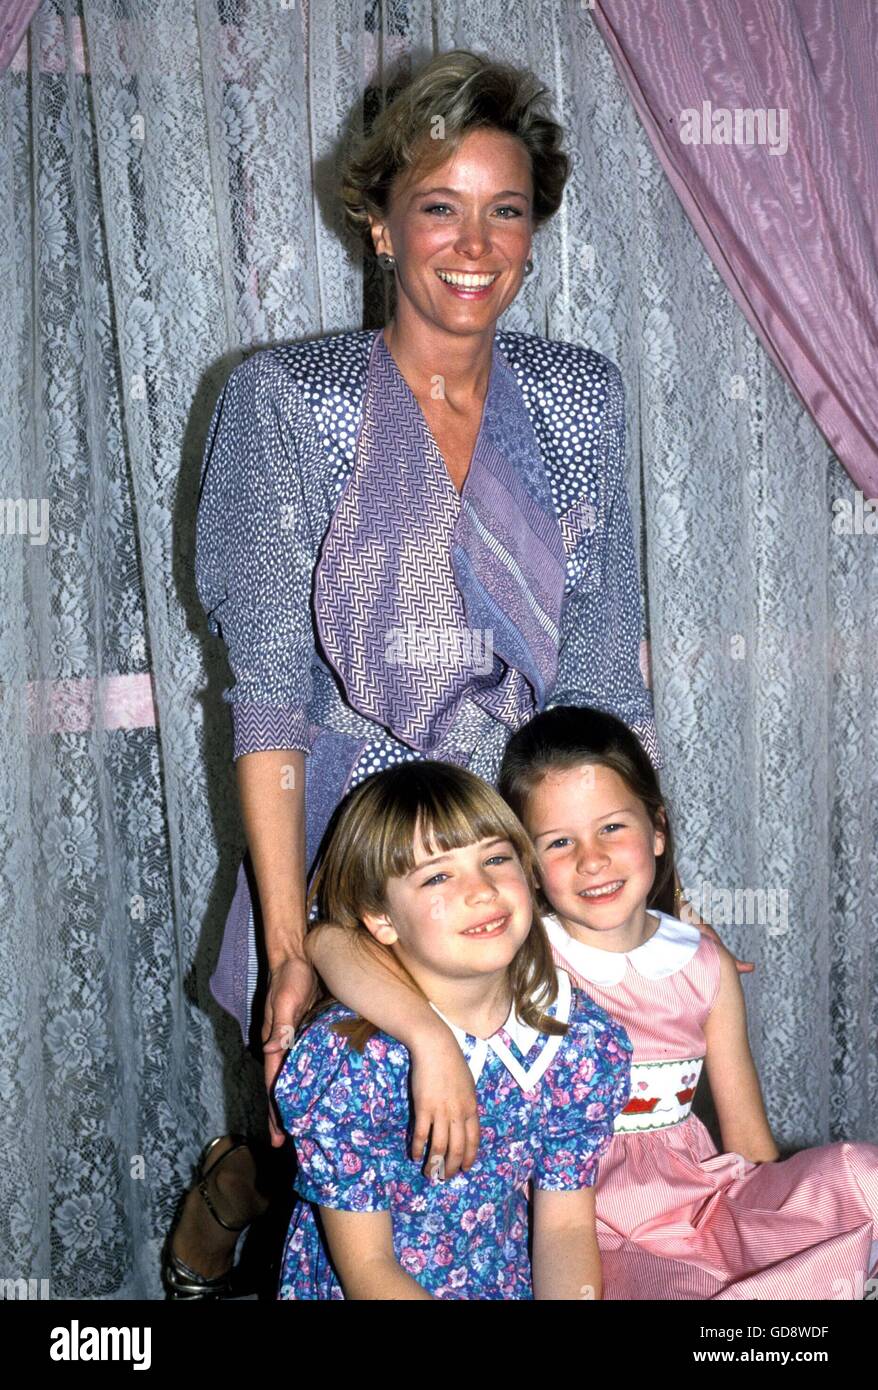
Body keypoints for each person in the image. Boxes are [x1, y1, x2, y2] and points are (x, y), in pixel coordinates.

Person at [173, 47, 740, 1295]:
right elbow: (265, 694)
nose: (473, 243)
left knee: (513, 1154)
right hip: (351, 842)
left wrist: (657, 886)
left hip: (506, 845)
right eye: (438, 206)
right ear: (377, 225)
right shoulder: (290, 401)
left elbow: (601, 676)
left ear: (534, 232)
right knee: (337, 1146)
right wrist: (288, 949)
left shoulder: (580, 399)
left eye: (506, 209)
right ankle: (242, 1179)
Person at [311, 705, 878, 1298]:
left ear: (658, 828)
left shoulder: (705, 963)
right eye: (558, 842)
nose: (592, 859)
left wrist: (778, 1228)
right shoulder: (523, 949)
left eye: (612, 827)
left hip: (704, 1202)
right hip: (598, 1228)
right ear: (528, 867)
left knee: (858, 1175)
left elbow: (751, 1147)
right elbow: (330, 941)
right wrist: (426, 1035)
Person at [274, 759, 631, 1299]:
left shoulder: (575, 1041)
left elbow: (565, 1228)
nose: (483, 889)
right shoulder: (353, 1064)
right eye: (439, 875)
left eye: (495, 858)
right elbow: (368, 1268)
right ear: (381, 918)